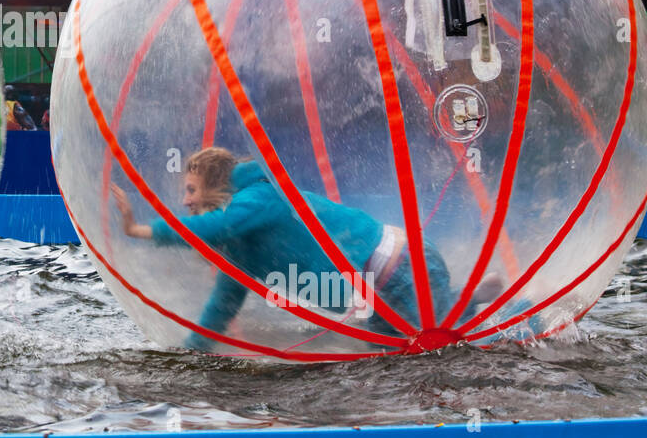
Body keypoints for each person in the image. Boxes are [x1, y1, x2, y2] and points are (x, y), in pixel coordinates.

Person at [112, 147, 500, 351]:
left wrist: (140, 229)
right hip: (378, 290)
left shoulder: (258, 198)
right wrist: (188, 357)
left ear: (218, 185)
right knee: (394, 357)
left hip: (398, 268)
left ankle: (524, 320)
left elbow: (216, 225)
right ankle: (472, 298)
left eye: (191, 190)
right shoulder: (242, 247)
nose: (185, 201)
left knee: (444, 347)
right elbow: (221, 306)